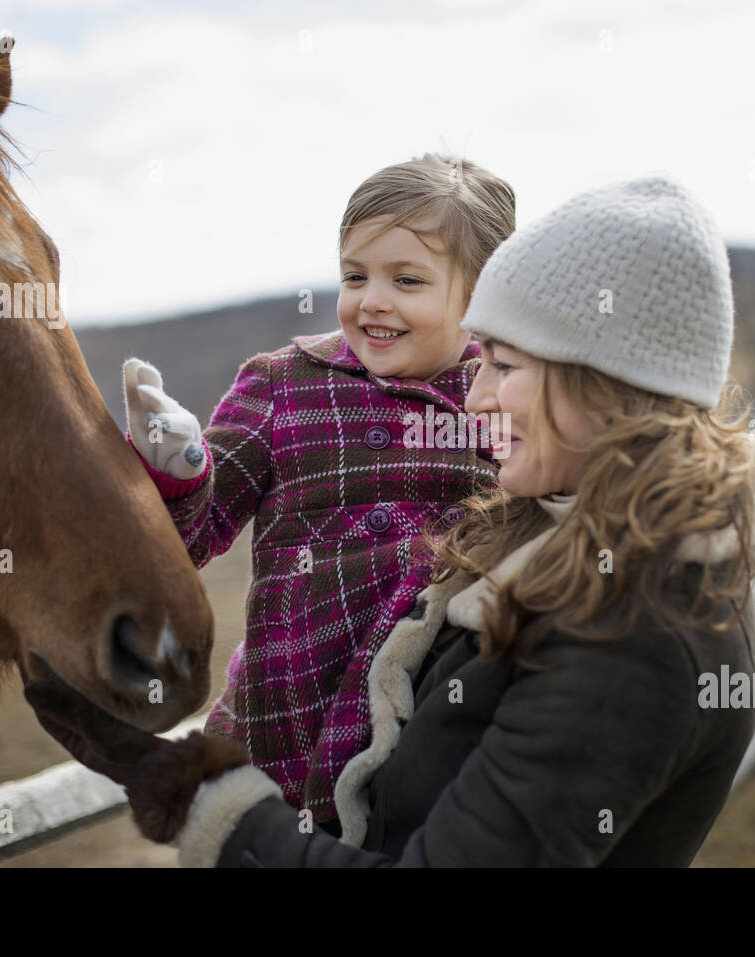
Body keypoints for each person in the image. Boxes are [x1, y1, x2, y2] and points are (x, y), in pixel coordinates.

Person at [27, 175, 755, 866]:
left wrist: (197, 795)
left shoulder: (637, 628)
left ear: (606, 383)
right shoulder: (558, 533)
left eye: (507, 364)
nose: (476, 395)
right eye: (355, 274)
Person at [117, 154, 516, 831]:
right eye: (355, 275)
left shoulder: (501, 399)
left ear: (480, 298)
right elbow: (196, 530)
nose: (373, 300)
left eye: (407, 279)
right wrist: (177, 469)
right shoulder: (286, 383)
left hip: (431, 733)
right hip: (283, 724)